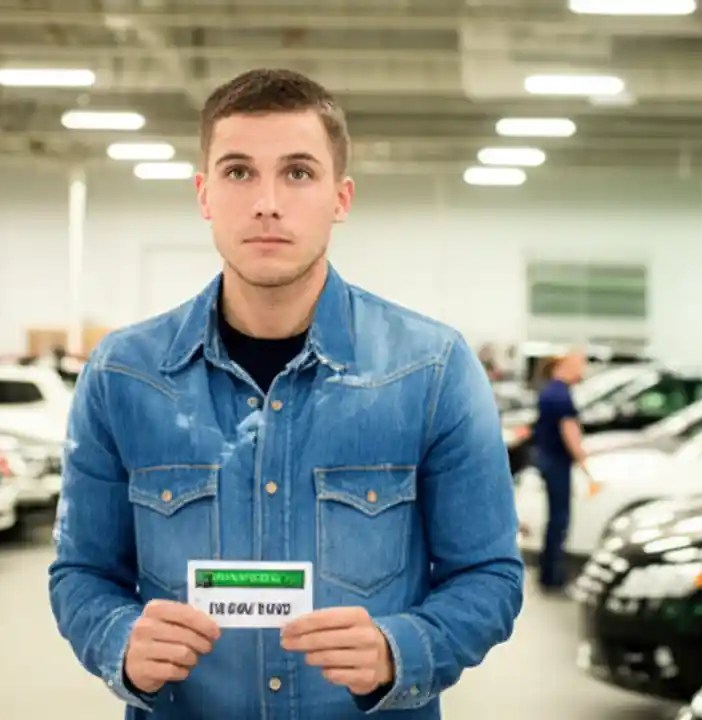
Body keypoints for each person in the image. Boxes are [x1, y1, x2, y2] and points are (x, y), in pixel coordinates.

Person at [47, 68, 523, 719]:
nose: (267, 201)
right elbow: (80, 573)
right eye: (239, 171)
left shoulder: (432, 369)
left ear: (341, 197)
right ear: (204, 194)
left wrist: (400, 650)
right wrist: (118, 641)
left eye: (298, 172)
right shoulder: (122, 376)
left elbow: (490, 577)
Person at [530, 351, 592, 592]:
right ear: (565, 366)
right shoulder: (561, 396)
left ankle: (548, 572)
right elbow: (570, 433)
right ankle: (553, 576)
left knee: (554, 518)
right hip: (557, 463)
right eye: (579, 365)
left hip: (547, 460)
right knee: (560, 519)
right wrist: (585, 465)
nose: (582, 371)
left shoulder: (550, 392)